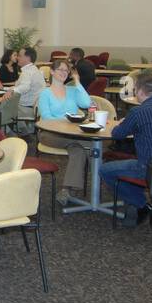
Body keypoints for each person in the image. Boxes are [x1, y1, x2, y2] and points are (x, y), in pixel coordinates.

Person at [100, 73, 152, 227]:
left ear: (139, 91)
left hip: (149, 167)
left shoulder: (138, 112)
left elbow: (117, 134)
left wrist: (123, 123)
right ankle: (138, 202)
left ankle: (140, 204)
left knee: (104, 170)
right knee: (128, 165)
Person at [36, 57, 93, 205]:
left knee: (79, 150)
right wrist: (65, 123)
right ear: (53, 72)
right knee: (88, 144)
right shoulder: (45, 93)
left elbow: (86, 103)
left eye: (66, 70)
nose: (64, 72)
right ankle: (97, 166)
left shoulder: (73, 90)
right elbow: (46, 118)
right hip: (50, 133)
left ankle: (67, 189)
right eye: (60, 69)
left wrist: (78, 82)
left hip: (72, 134)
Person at [11, 47, 46, 130]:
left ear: (28, 58)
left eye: (19, 55)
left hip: (27, 109)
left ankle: (20, 133)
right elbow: (21, 87)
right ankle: (24, 133)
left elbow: (25, 87)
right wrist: (7, 89)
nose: (17, 57)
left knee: (2, 112)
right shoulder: (35, 70)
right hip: (36, 108)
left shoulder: (27, 72)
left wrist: (11, 90)